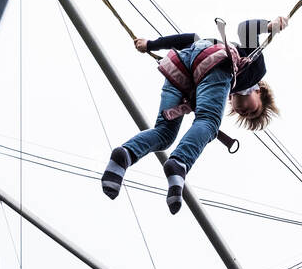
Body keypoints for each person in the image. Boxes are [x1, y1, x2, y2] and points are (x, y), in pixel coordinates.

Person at [101, 16, 287, 214]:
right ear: (259, 92)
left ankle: (124, 156)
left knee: (164, 134)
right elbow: (246, 29)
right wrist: (270, 26)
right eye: (252, 110)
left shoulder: (218, 91)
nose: (244, 111)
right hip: (216, 60)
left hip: (181, 68)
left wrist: (151, 45)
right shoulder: (256, 71)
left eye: (244, 115)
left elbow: (190, 39)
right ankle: (179, 163)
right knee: (209, 121)